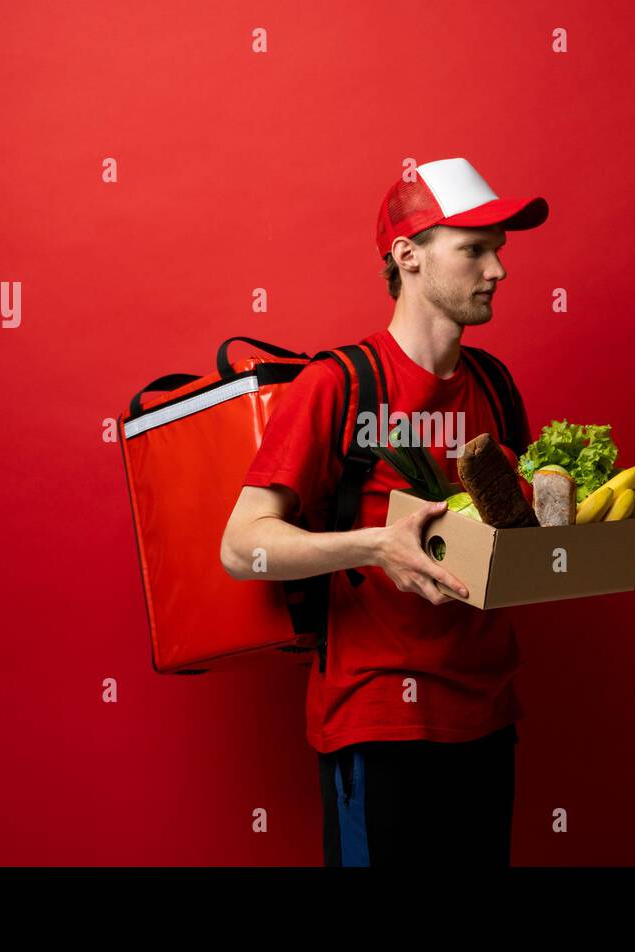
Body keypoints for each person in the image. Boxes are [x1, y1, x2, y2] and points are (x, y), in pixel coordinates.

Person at [220, 157, 548, 866]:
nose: (498, 271)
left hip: (488, 715)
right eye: (474, 250)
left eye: (499, 251)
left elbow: (511, 540)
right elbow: (241, 545)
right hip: (378, 721)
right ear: (408, 257)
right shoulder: (337, 384)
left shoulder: (494, 383)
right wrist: (376, 546)